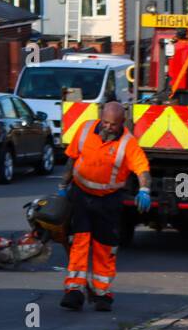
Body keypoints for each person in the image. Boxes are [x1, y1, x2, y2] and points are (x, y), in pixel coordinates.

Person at [58, 100, 151, 312]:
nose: (108, 127)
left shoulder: (128, 143)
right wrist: (63, 185)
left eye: (114, 125)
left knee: (104, 246)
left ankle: (102, 293)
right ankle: (74, 290)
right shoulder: (85, 129)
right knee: (79, 241)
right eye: (106, 122)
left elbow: (142, 169)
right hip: (80, 194)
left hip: (108, 200)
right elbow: (72, 159)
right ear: (101, 117)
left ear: (122, 123)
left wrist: (144, 189)